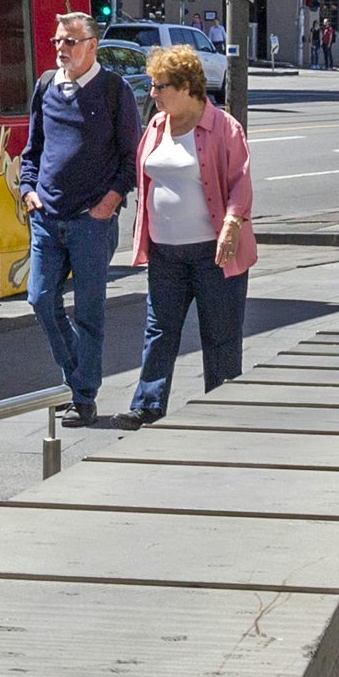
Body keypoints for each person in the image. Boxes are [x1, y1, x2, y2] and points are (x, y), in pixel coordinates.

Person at [8, 10, 141, 426]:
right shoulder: (46, 86)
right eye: (58, 42)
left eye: (70, 41)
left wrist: (108, 203)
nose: (61, 49)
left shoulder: (113, 91)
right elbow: (32, 149)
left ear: (91, 45)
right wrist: (29, 191)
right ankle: (78, 376)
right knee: (40, 300)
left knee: (89, 312)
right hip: (47, 217)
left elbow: (130, 159)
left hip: (91, 222)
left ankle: (83, 397)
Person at [124, 44, 253, 420]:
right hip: (165, 251)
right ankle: (147, 405)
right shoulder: (155, 126)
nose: (153, 94)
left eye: (159, 86)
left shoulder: (223, 127)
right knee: (159, 330)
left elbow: (240, 183)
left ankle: (221, 407)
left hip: (214, 252)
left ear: (186, 87)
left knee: (220, 335)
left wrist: (231, 225)